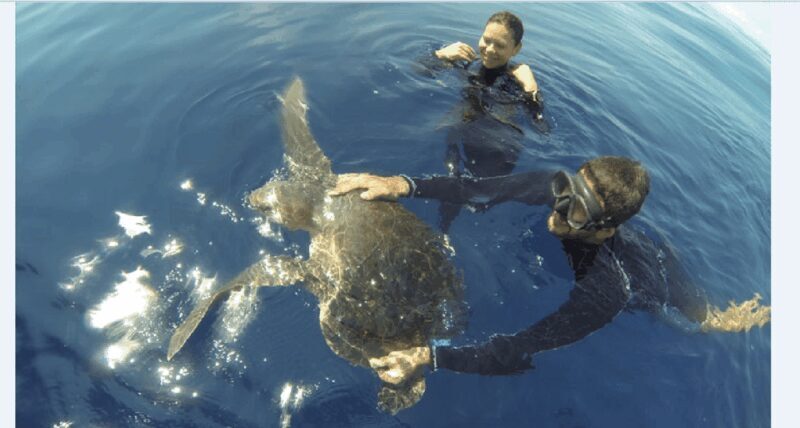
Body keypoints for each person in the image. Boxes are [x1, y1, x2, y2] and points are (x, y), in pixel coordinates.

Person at [328, 156, 770, 384]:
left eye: (576, 211)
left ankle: (741, 318)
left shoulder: (606, 290)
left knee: (701, 322)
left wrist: (431, 356)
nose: (558, 210)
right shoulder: (553, 187)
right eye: (566, 191)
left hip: (649, 278)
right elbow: (476, 190)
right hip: (622, 241)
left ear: (604, 227)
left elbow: (523, 348)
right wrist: (401, 184)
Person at [419, 11, 548, 231]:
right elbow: (419, 72)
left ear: (516, 49)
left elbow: (541, 126)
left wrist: (532, 89)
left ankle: (446, 229)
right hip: (462, 129)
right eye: (486, 40)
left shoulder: (516, 82)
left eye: (500, 45)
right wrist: (440, 55)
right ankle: (443, 228)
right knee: (450, 184)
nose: (489, 49)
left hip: (496, 146)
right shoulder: (467, 64)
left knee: (477, 200)